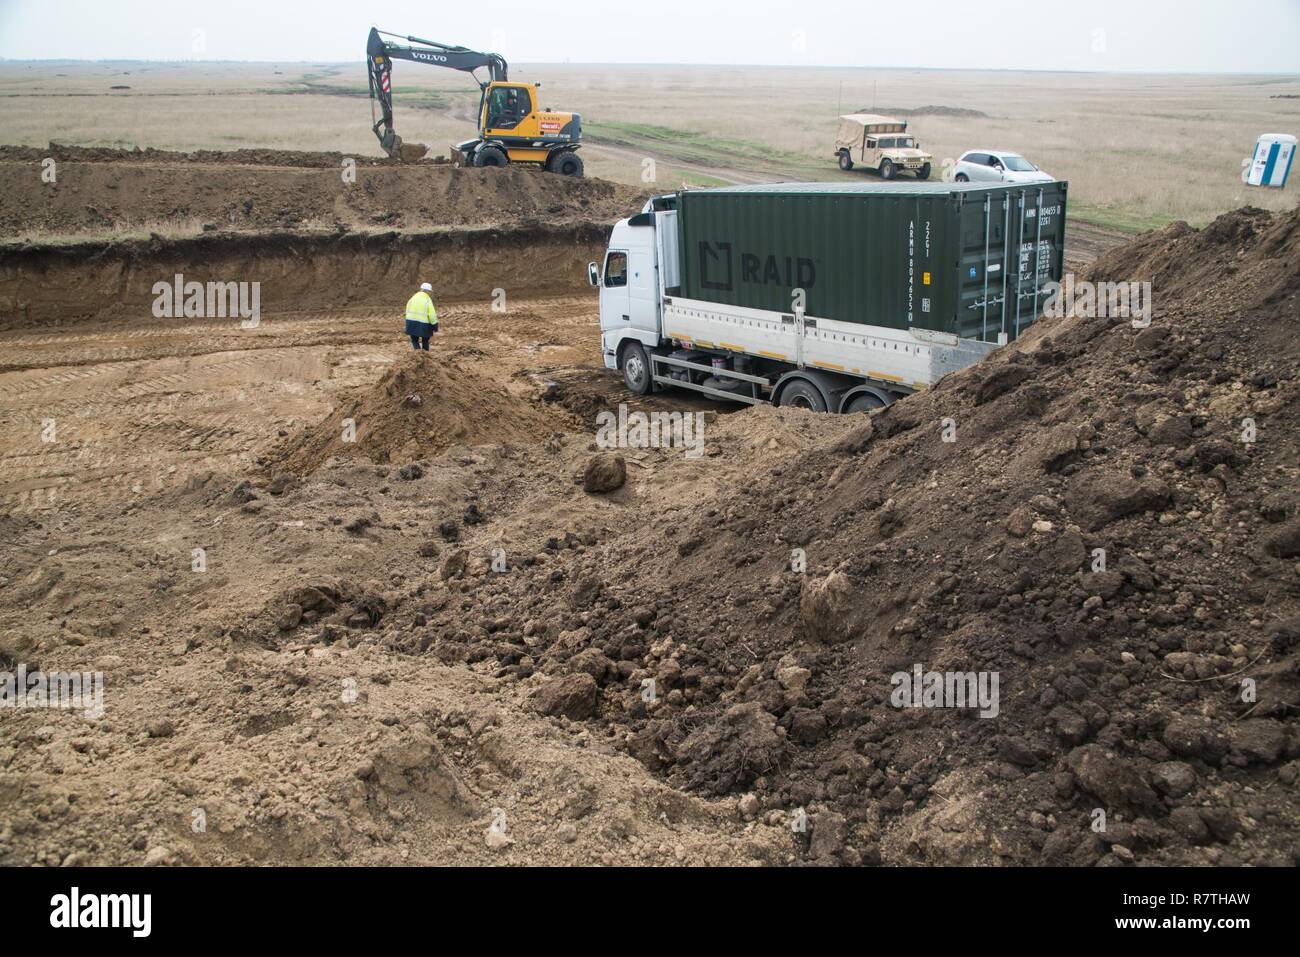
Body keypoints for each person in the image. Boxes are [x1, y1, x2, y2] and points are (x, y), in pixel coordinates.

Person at [404, 282, 438, 351]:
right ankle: (425, 356)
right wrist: (435, 325)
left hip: (411, 322)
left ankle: (418, 355)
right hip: (424, 324)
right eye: (430, 292)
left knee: (414, 340)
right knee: (425, 340)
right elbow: (432, 315)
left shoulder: (413, 298)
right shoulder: (427, 300)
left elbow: (407, 310)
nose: (430, 293)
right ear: (427, 291)